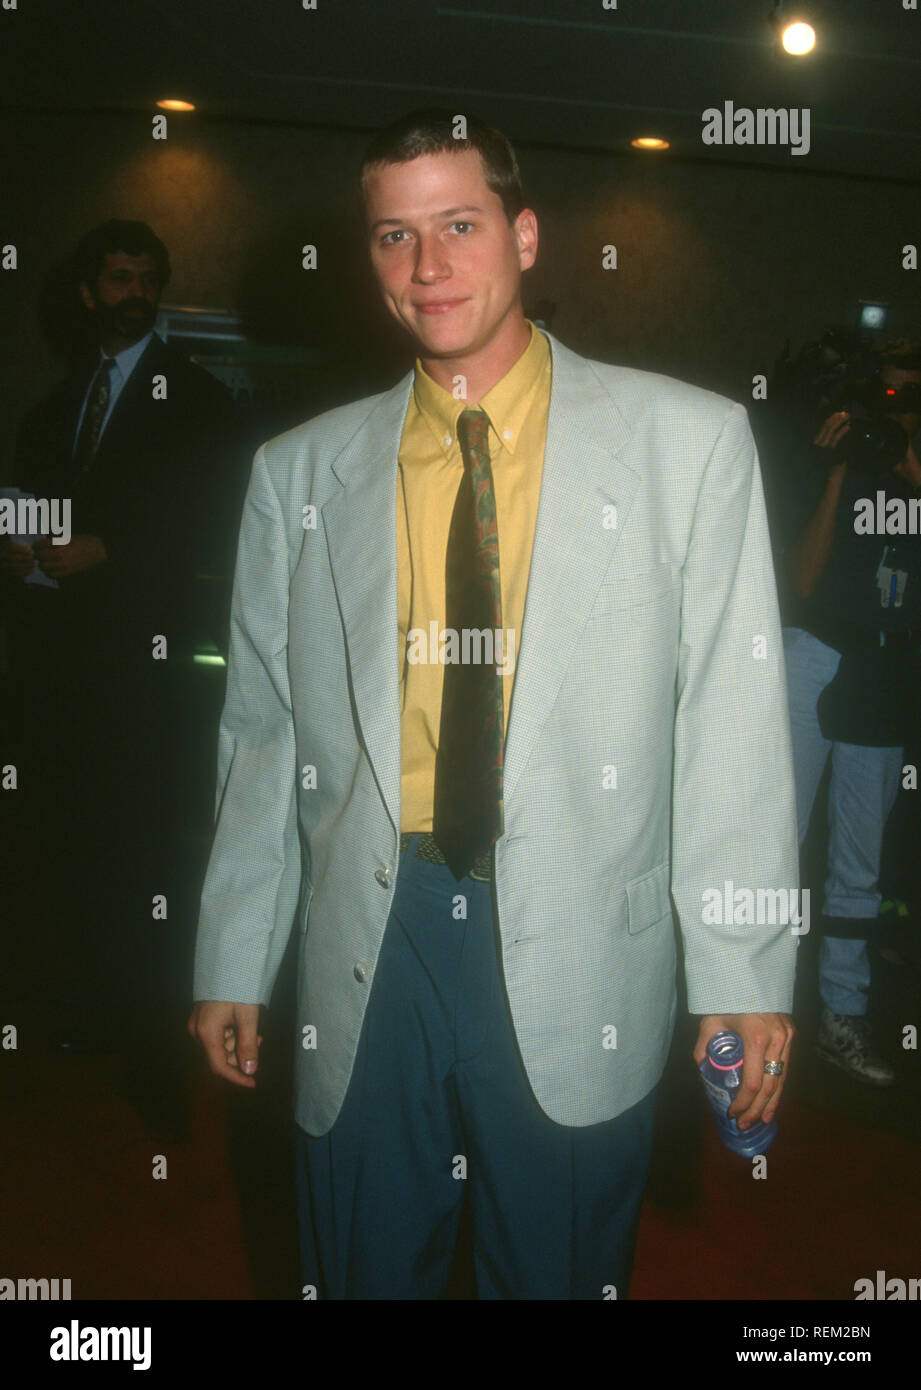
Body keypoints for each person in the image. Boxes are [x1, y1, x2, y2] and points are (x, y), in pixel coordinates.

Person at [189, 110, 798, 1300]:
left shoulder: (690, 444)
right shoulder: (299, 473)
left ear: (524, 235)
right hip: (373, 929)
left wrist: (744, 974)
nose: (428, 268)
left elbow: (736, 728)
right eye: (392, 237)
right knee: (361, 1264)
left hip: (583, 933)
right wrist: (233, 946)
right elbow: (264, 735)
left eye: (459, 226)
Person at [1, 220, 239, 1094]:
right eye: (118, 277)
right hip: (65, 676)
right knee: (74, 850)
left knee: (155, 860)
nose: (133, 292)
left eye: (147, 278)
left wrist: (117, 551)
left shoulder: (201, 401)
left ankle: (159, 1034)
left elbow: (220, 529)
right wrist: (18, 544)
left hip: (154, 679)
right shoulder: (54, 407)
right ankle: (88, 1012)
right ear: (86, 291)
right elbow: (25, 505)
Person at [779, 340, 921, 1085]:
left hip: (884, 669)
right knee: (777, 836)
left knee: (858, 861)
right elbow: (801, 577)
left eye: (910, 392)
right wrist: (841, 467)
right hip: (814, 652)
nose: (894, 407)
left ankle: (842, 1011)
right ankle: (748, 1001)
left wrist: (906, 468)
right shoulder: (837, 456)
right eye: (885, 394)